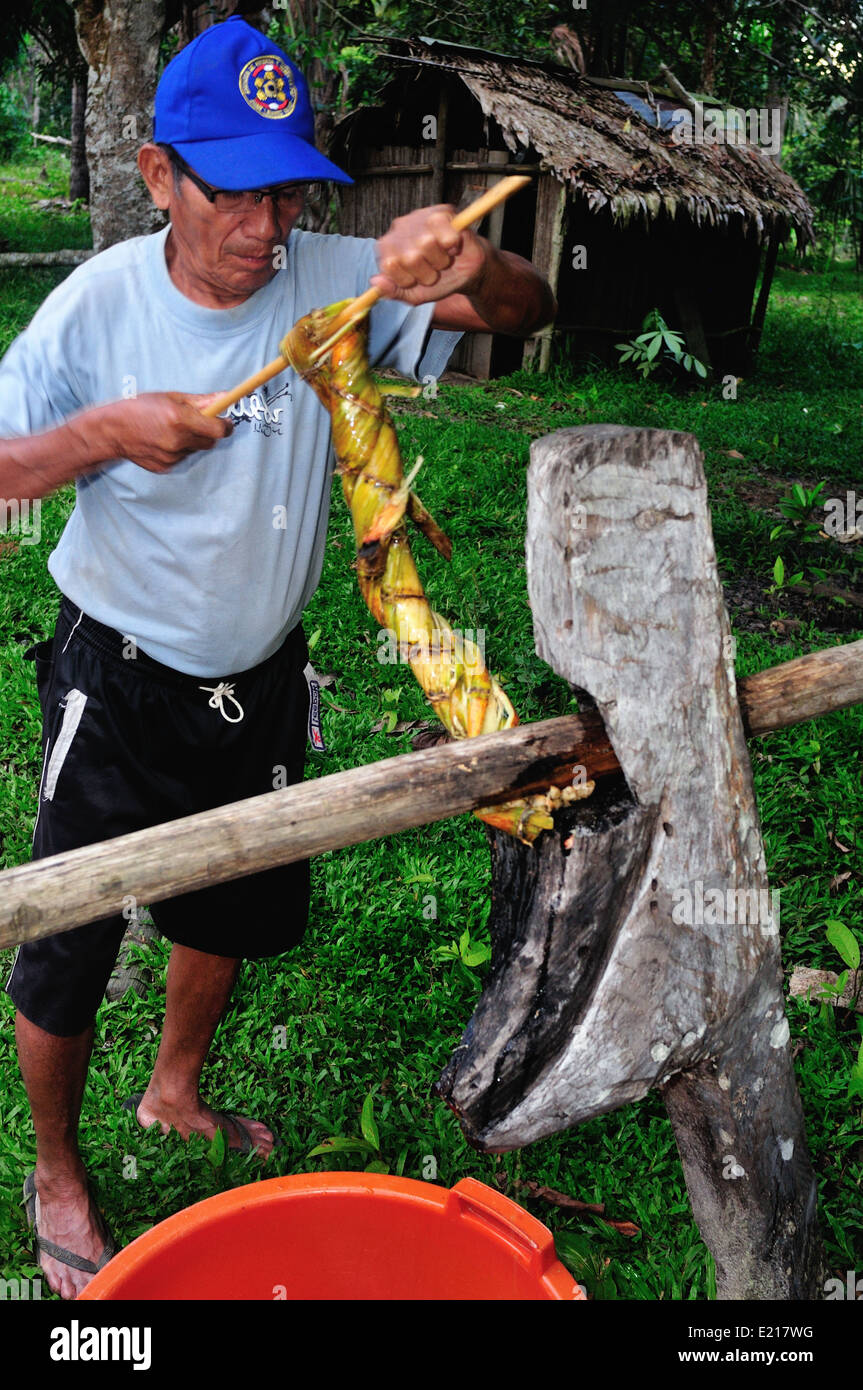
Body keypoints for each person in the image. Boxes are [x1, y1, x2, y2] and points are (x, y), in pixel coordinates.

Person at [0, 16, 555, 1298]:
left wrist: (473, 256)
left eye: (289, 189)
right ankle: (58, 1172)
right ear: (157, 177)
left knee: (233, 899)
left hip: (260, 673)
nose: (268, 225)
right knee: (69, 933)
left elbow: (527, 311)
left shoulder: (337, 277)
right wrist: (101, 437)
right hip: (118, 672)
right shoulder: (97, 308)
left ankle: (174, 1089)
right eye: (234, 193)